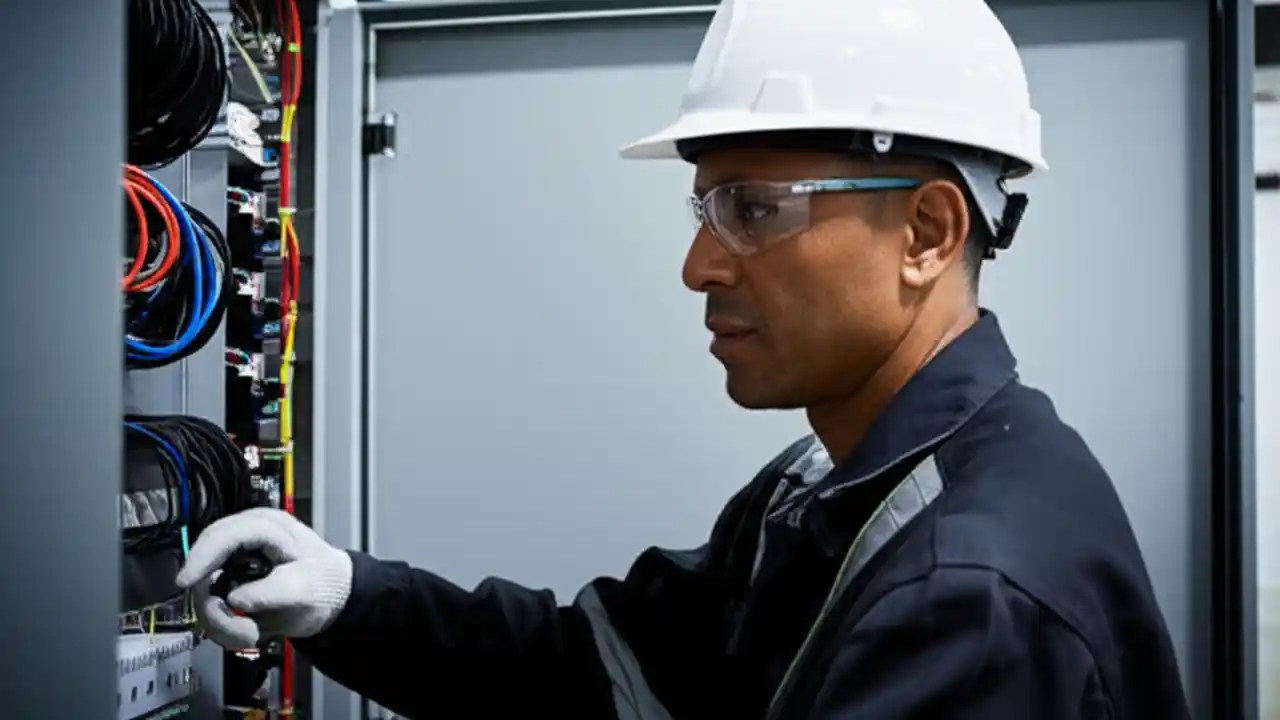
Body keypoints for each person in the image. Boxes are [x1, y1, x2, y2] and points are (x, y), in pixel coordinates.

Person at [177, 0, 1192, 717]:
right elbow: (606, 670)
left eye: (753, 210)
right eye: (704, 208)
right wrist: (352, 597)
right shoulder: (834, 487)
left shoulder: (965, 596)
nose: (698, 266)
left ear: (925, 231)